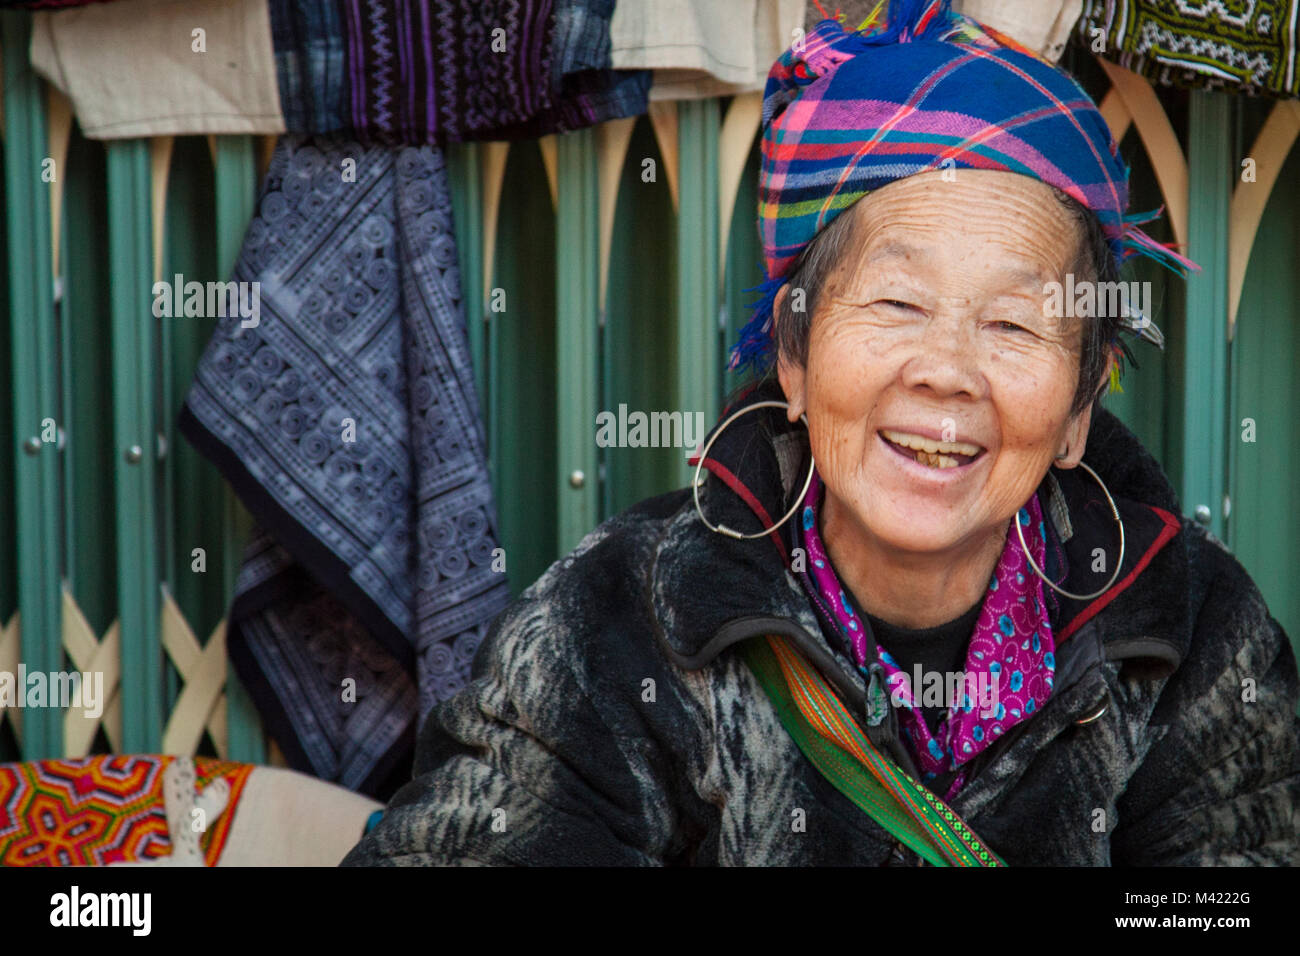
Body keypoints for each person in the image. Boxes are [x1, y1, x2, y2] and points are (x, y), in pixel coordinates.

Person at [342, 0, 1300, 866]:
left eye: (1013, 323)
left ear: (1079, 409)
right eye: (895, 301)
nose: (947, 370)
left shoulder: (1188, 629)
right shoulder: (619, 624)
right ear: (793, 360)